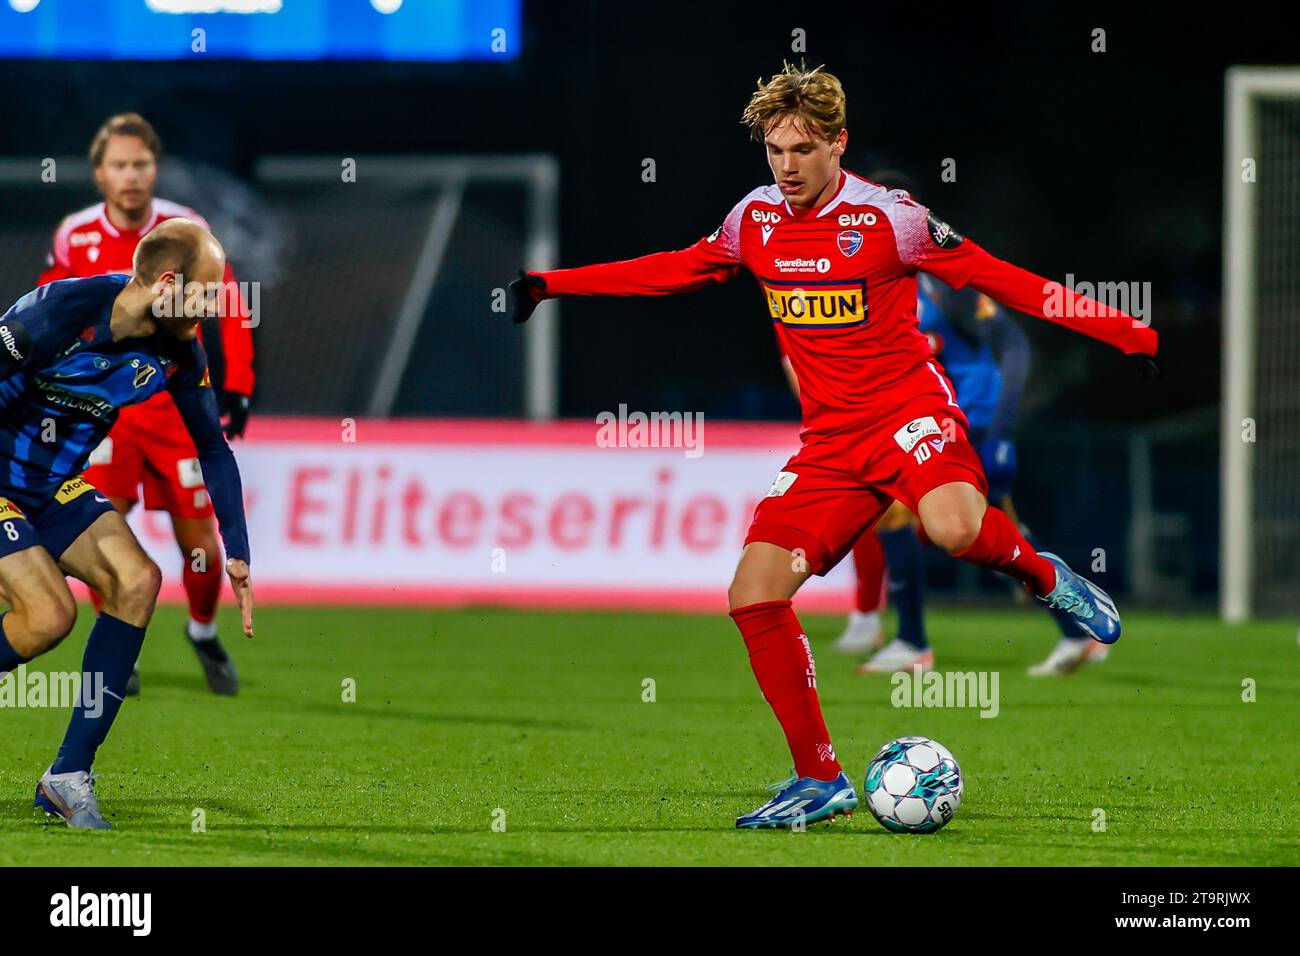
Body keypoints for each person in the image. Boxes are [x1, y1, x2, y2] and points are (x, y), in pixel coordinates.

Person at [507, 62, 1155, 829]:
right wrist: (551, 284)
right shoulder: (753, 221)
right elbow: (673, 272)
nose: (786, 166)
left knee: (951, 527)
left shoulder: (892, 220)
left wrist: (1122, 329)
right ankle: (820, 779)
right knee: (753, 592)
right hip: (832, 444)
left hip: (909, 412)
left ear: (838, 144)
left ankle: (1045, 574)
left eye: (802, 149)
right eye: (774, 150)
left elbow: (1003, 280)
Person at [0, 219, 254, 829]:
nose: (213, 308)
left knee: (137, 580)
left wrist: (237, 551)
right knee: (49, 615)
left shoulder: (178, 351)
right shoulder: (54, 315)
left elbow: (213, 451)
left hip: (50, 487)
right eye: (206, 293)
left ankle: (67, 777)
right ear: (167, 283)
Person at [39, 113, 255, 695]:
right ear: (101, 174)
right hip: (107, 416)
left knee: (201, 549)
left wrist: (237, 383)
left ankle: (203, 632)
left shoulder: (186, 234)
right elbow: (49, 310)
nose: (131, 175)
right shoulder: (75, 236)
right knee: (102, 531)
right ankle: (120, 641)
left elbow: (230, 303)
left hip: (171, 409)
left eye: (141, 163)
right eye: (120, 165)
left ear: (153, 168)